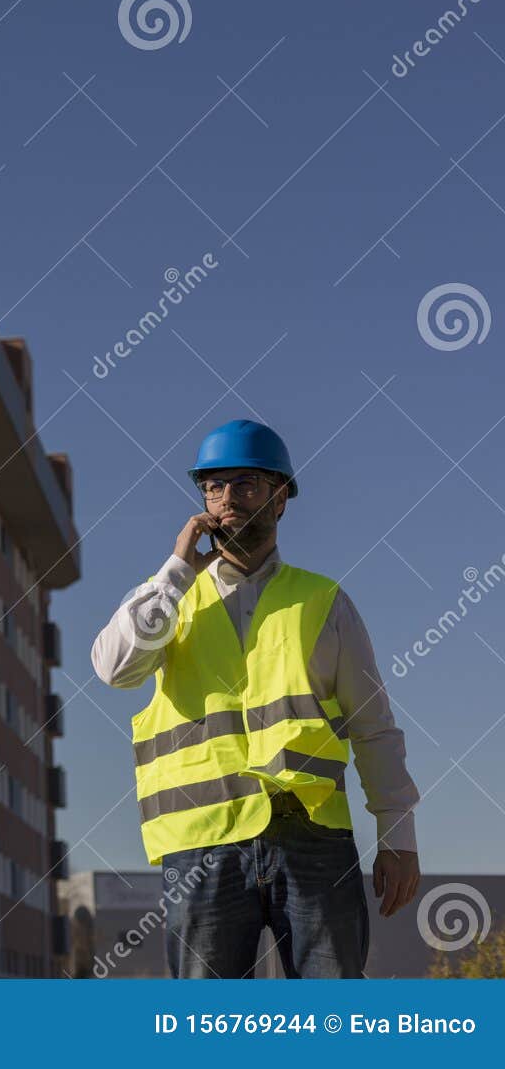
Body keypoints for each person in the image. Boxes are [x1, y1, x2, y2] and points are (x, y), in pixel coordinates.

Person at [91, 419, 420, 978]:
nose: (226, 500)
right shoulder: (167, 598)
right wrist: (175, 571)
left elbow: (374, 728)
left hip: (311, 838)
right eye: (213, 487)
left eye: (244, 484)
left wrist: (399, 836)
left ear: (281, 497)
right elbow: (113, 669)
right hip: (202, 846)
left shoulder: (323, 601)